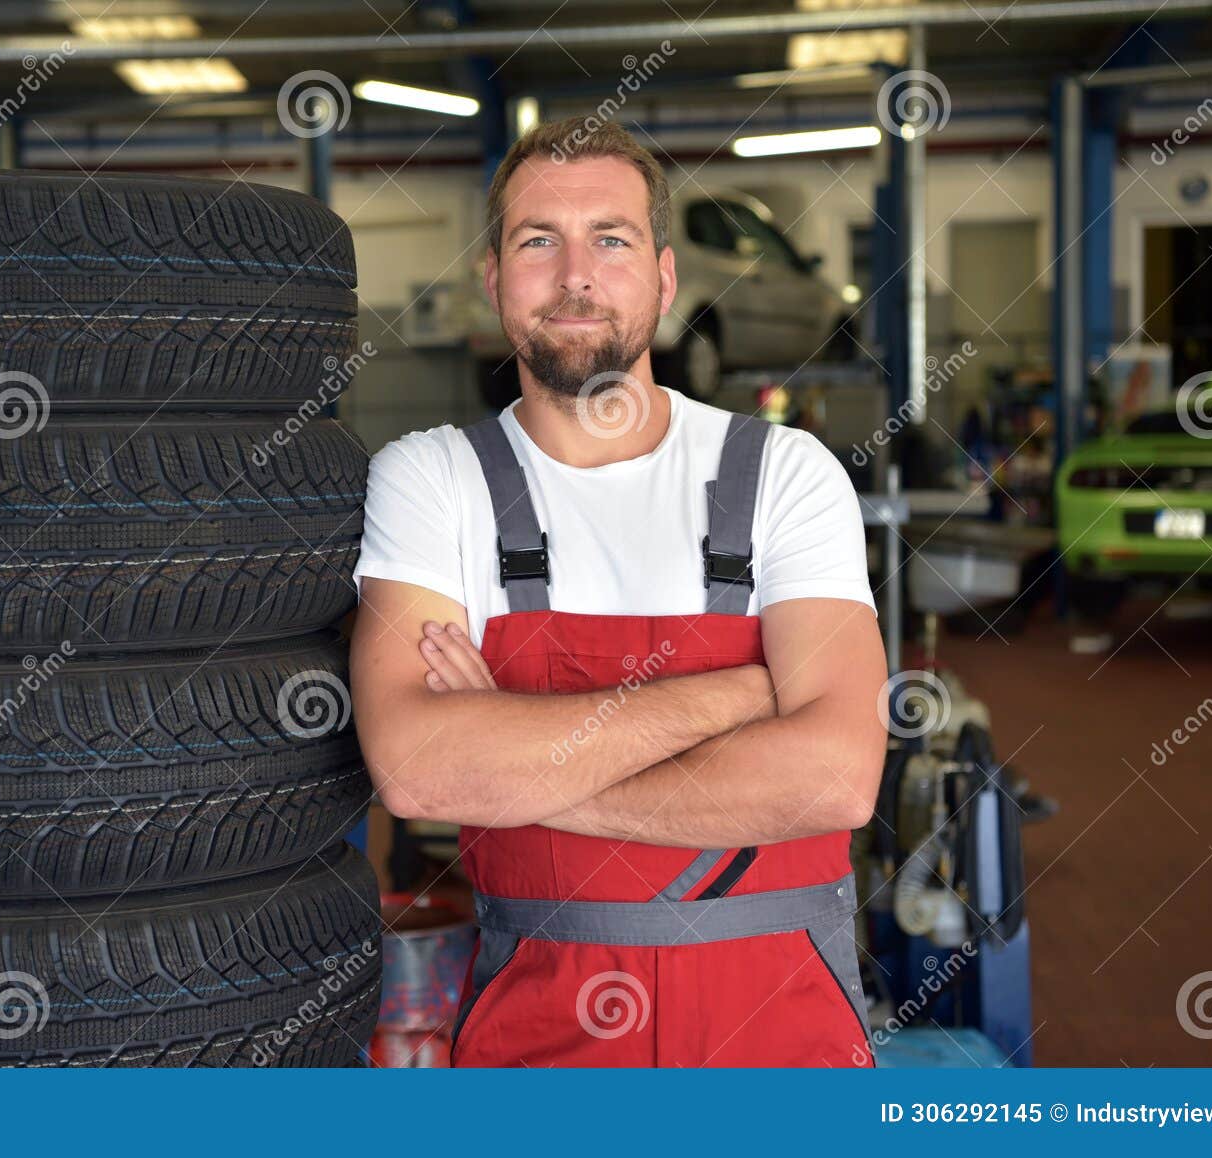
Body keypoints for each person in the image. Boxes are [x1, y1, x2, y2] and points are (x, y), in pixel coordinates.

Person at [349, 115, 887, 1067]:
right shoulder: (433, 480)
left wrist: (525, 771)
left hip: (785, 1043)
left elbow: (837, 775)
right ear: (492, 279)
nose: (574, 276)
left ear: (666, 276)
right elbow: (421, 770)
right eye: (536, 242)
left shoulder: (786, 474)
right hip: (540, 1051)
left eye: (611, 238)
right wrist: (744, 697)